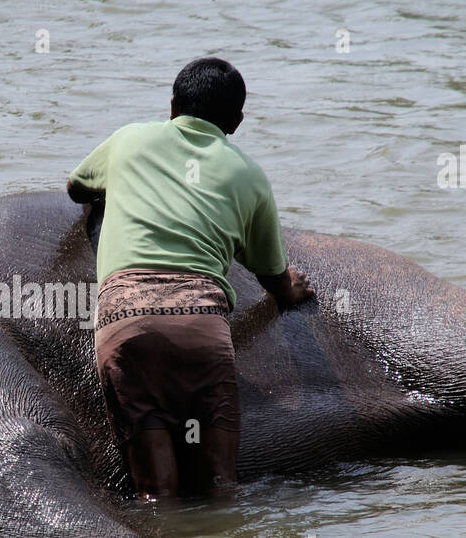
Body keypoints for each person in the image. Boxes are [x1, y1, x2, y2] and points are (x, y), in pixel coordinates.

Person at [66, 56, 315, 498]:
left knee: (155, 492)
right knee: (221, 482)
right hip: (201, 321)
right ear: (236, 122)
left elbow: (77, 187)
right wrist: (291, 289)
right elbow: (273, 273)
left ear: (172, 104)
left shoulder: (129, 140)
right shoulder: (249, 175)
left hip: (128, 318)